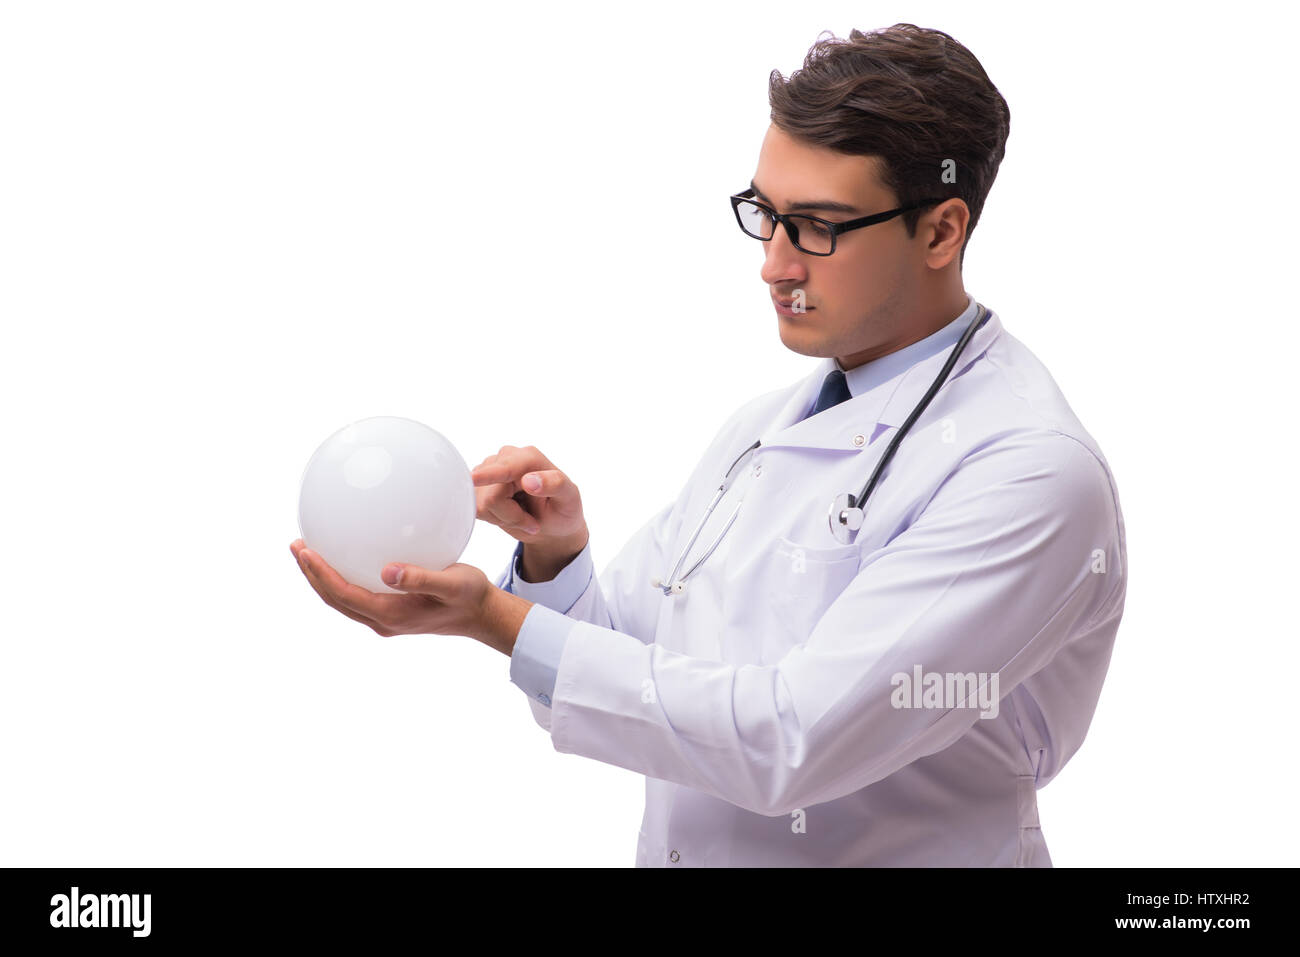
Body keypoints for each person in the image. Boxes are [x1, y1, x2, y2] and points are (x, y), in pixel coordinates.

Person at [291, 23, 1126, 867]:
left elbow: (793, 741)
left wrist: (495, 620)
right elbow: (613, 680)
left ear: (942, 231)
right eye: (765, 214)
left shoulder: (1027, 470)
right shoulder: (767, 425)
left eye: (818, 227)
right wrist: (552, 559)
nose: (773, 264)